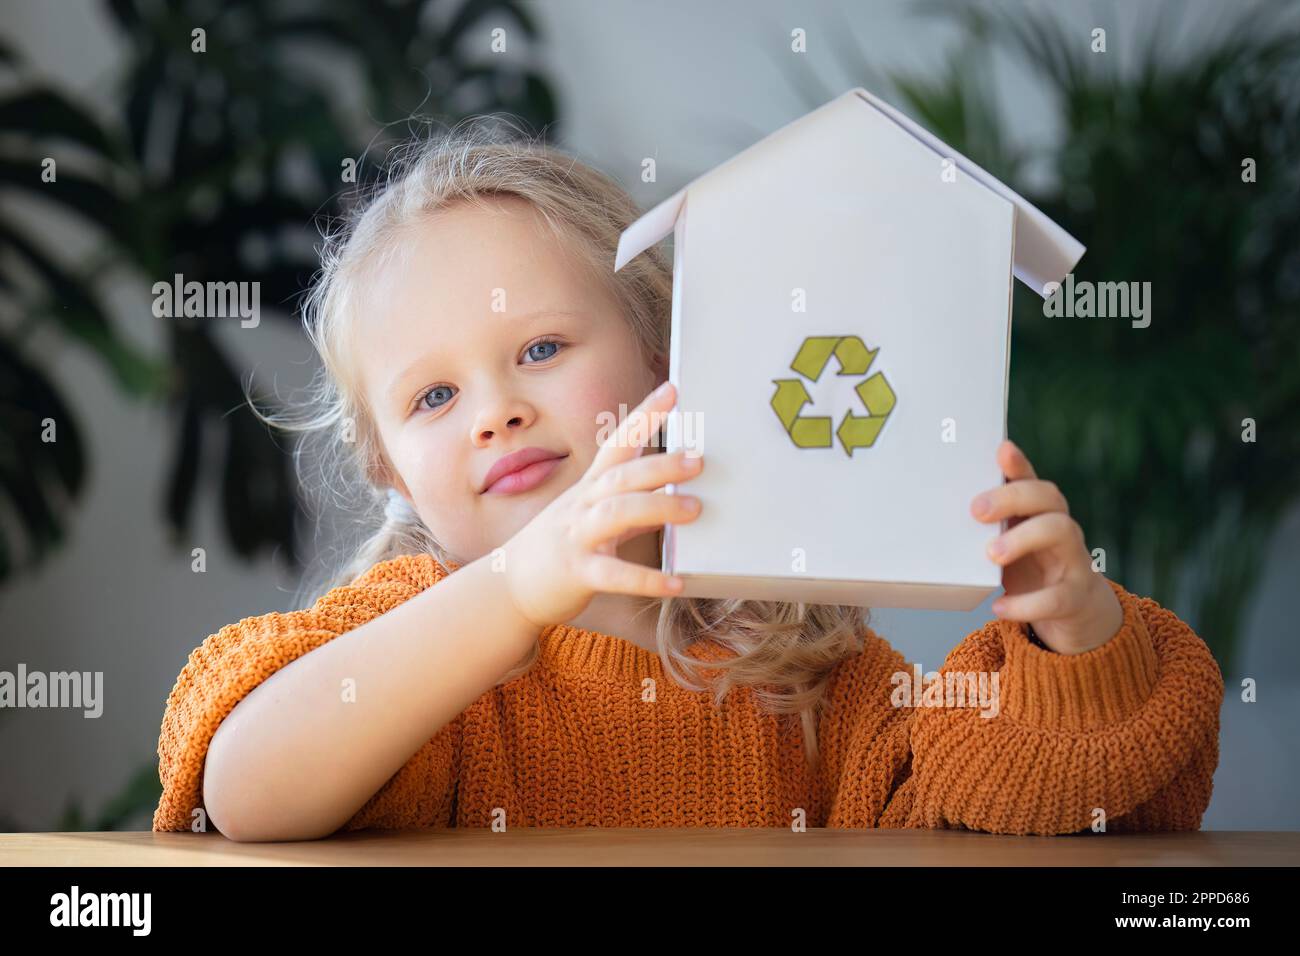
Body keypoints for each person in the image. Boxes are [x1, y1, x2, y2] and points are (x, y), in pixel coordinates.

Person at [152, 118, 1223, 842]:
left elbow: (1037, 821)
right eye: (433, 398)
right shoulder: (417, 653)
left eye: (538, 351)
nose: (496, 412)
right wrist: (519, 590)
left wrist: (1071, 640)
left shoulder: (813, 667)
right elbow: (245, 792)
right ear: (389, 467)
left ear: (672, 356)